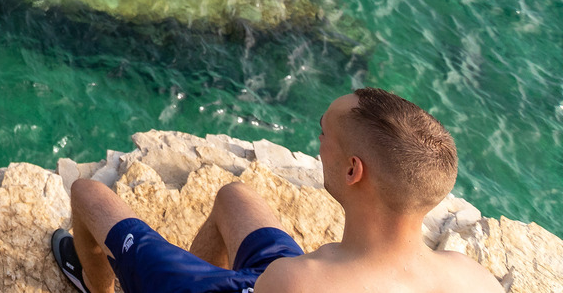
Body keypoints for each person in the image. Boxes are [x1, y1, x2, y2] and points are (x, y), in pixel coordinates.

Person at [52, 88, 503, 293]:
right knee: (235, 198)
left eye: (323, 132)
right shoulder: (473, 280)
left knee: (89, 194)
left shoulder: (300, 282)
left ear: (352, 170)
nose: (318, 141)